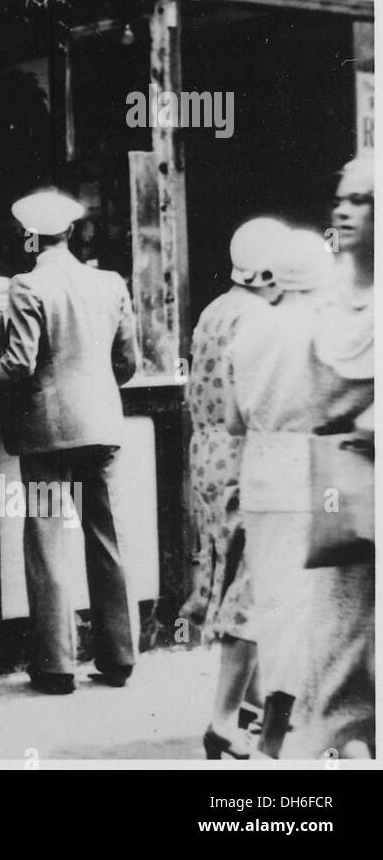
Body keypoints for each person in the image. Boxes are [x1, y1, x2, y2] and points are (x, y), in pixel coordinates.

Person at [0, 189, 140, 695]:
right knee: (107, 538)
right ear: (72, 232)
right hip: (102, 425)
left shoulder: (26, 286)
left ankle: (56, 667)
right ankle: (119, 658)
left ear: (29, 238)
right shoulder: (109, 282)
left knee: (49, 543)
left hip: (47, 430)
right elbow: (128, 363)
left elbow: (18, 364)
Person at [224, 229, 336, 758]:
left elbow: (233, 421)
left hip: (260, 477)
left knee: (274, 609)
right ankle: (276, 741)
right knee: (310, 612)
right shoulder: (327, 333)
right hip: (315, 474)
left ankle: (274, 735)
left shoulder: (250, 332)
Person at [183, 217, 289, 758]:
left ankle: (248, 704)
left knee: (224, 575)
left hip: (205, 455)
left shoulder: (214, 310)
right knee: (251, 588)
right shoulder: (261, 320)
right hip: (243, 460)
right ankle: (226, 719)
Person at [296, 156, 374, 758]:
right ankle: (347, 745)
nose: (342, 210)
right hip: (344, 491)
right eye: (340, 198)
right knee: (340, 629)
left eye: (361, 200)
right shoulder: (324, 298)